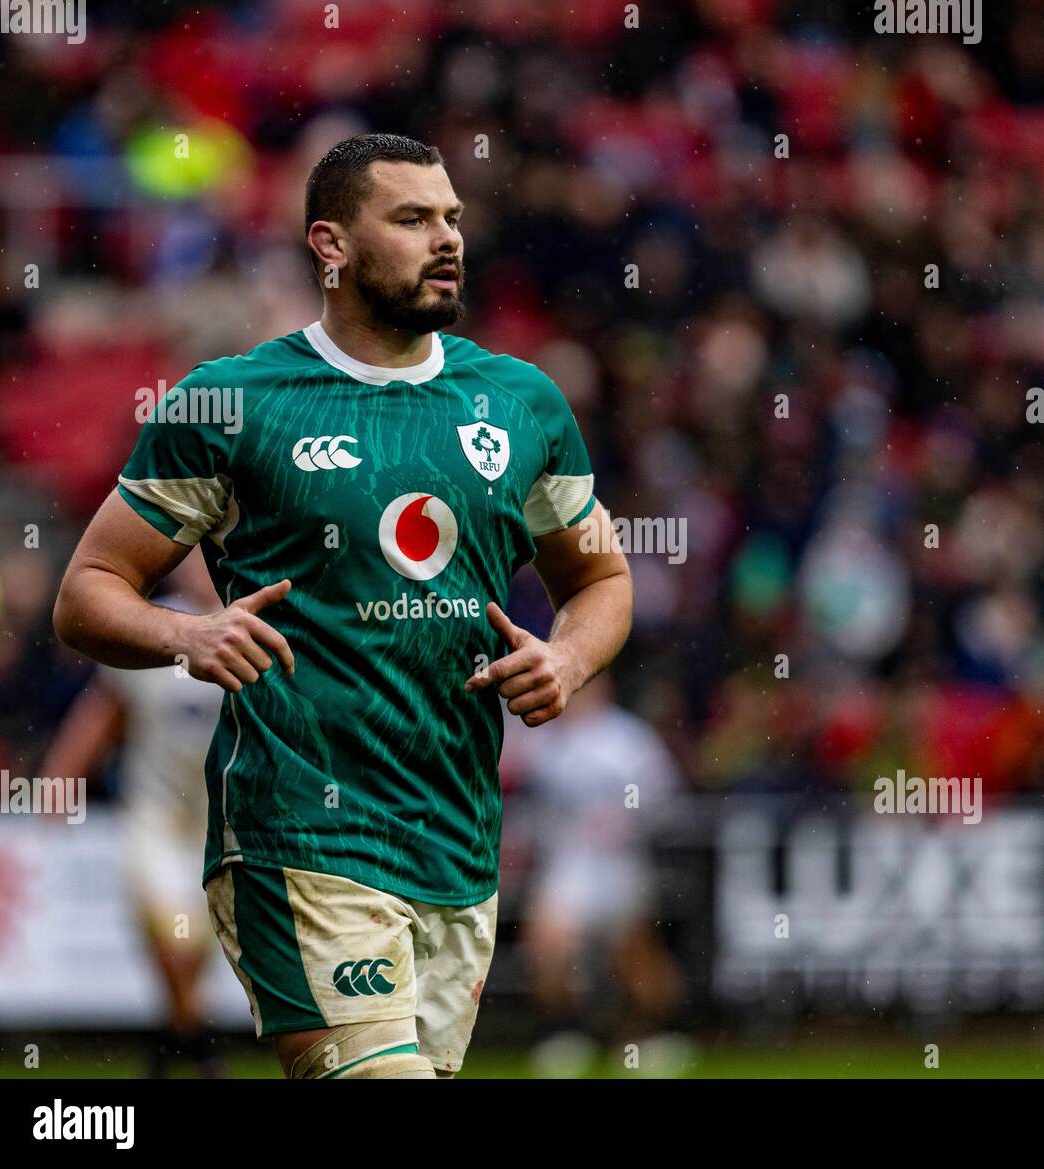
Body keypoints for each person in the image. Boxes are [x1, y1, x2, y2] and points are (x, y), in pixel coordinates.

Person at [53, 133, 632, 1080]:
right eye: (411, 219)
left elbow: (603, 580)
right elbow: (85, 594)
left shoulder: (521, 402)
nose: (446, 239)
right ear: (330, 245)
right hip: (299, 833)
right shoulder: (231, 403)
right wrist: (185, 633)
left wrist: (568, 658)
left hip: (455, 839)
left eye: (451, 217)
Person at [40, 549, 226, 1077]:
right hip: (156, 817)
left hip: (221, 826)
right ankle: (207, 1057)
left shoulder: (254, 628)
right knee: (173, 943)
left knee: (195, 952)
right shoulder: (151, 629)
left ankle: (169, 1049)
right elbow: (102, 715)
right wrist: (62, 777)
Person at [502, 673, 687, 1075]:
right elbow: (521, 796)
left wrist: (626, 822)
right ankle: (565, 1034)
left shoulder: (629, 739)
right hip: (565, 863)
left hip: (621, 861)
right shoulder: (542, 738)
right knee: (547, 948)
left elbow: (665, 800)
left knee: (634, 955)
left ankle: (652, 1034)